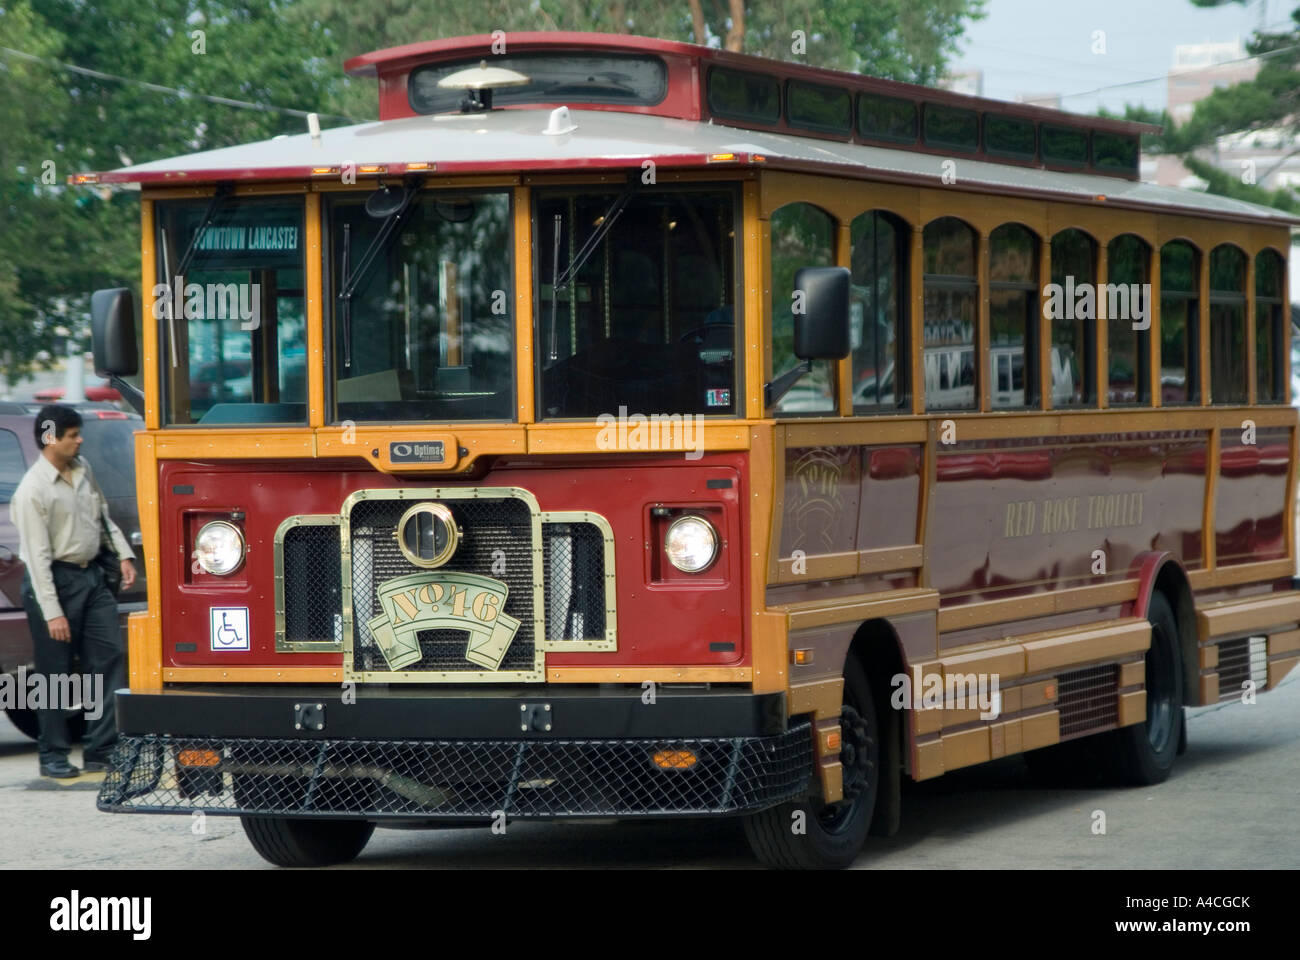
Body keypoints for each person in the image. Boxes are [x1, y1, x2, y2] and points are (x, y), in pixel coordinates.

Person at [10, 405, 136, 778]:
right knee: (55, 674)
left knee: (109, 658)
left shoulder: (83, 470)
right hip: (53, 583)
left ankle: (101, 749)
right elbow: (36, 558)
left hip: (91, 577)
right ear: (51, 438)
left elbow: (103, 516)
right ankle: (53, 754)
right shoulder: (32, 491)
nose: (80, 440)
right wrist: (53, 612)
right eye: (72, 435)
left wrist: (124, 556)